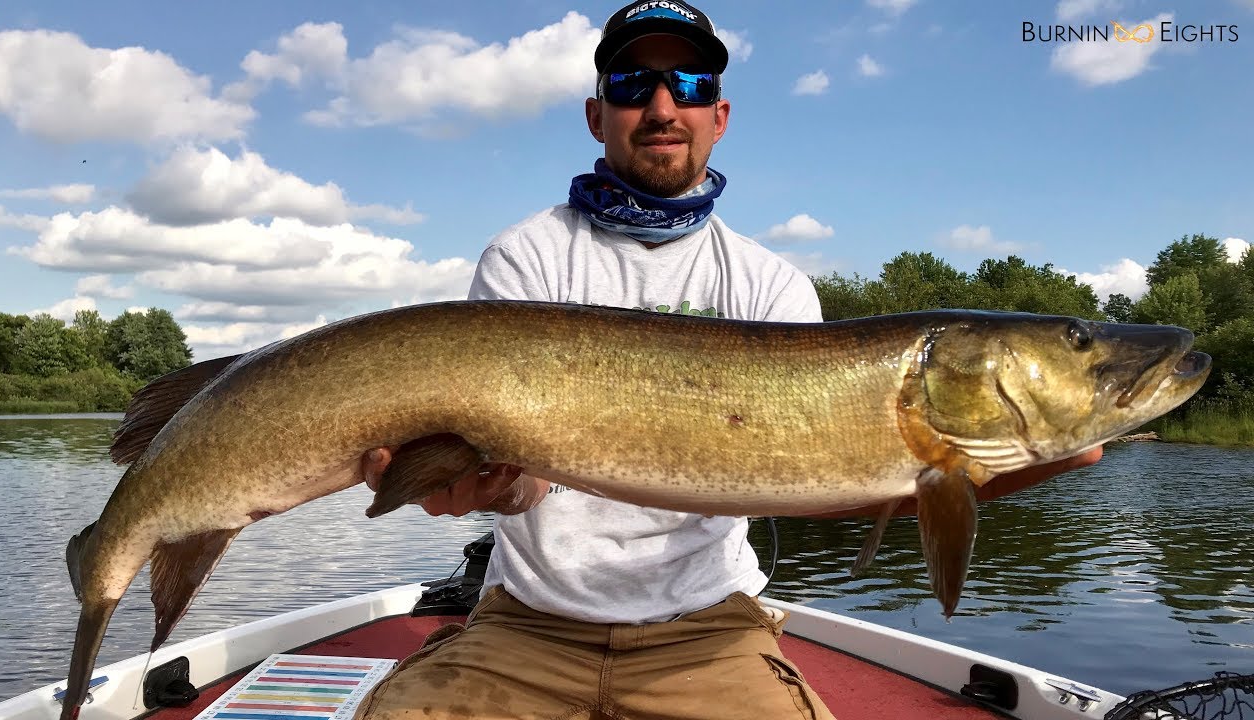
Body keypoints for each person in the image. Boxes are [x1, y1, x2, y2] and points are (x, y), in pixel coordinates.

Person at [356, 2, 1103, 718]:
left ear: (719, 116)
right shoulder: (527, 257)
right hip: (530, 621)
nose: (660, 105)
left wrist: (1029, 460)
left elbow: (846, 489)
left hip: (708, 628)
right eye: (630, 85)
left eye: (689, 85)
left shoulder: (768, 284)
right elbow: (529, 482)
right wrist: (485, 487)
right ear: (597, 115)